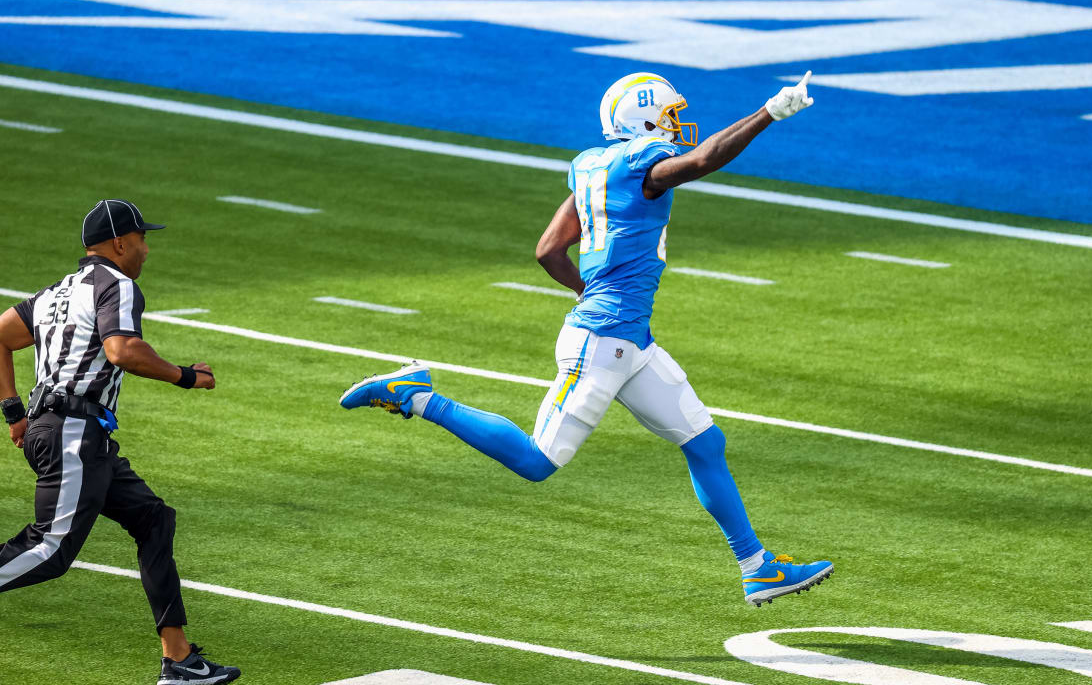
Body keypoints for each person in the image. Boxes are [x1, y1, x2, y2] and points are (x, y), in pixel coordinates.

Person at [340, 73, 831, 606]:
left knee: (705, 443)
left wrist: (588, 290)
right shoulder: (642, 165)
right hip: (603, 340)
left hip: (628, 339)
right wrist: (768, 114)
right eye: (669, 115)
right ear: (644, 120)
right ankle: (418, 396)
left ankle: (757, 566)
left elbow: (549, 249)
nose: (676, 124)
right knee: (537, 462)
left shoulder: (593, 165)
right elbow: (702, 161)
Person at [0, 200, 241, 685]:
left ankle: (179, 661)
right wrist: (186, 376)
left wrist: (14, 412)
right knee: (50, 549)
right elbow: (122, 350)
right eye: (142, 240)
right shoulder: (118, 285)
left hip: (75, 432)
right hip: (72, 432)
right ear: (120, 243)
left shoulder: (54, 293)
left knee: (154, 519)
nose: (146, 250)